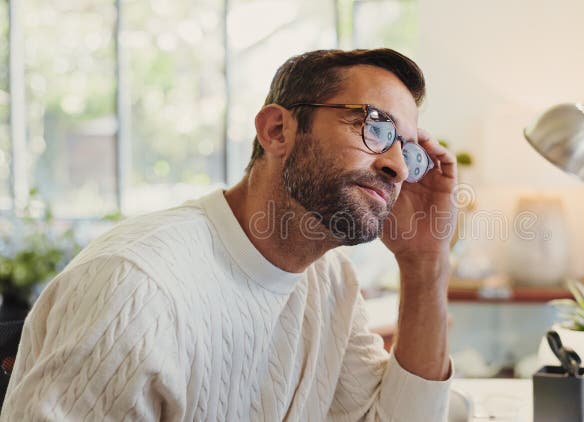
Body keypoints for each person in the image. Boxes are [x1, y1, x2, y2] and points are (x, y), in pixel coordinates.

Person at [1, 48, 456, 421]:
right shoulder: (135, 289)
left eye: (409, 152)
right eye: (374, 126)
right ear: (278, 130)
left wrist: (425, 263)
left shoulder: (331, 280)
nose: (397, 166)